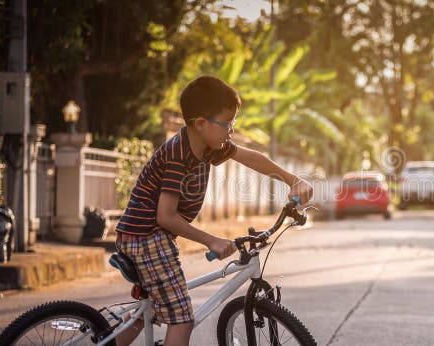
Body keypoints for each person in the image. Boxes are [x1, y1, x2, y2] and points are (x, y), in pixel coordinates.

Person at [113, 75, 313, 346]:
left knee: (145, 314)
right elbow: (165, 216)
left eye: (234, 123)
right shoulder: (178, 154)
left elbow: (251, 157)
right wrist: (212, 240)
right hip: (145, 238)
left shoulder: (208, 148)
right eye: (227, 123)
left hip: (146, 236)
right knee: (182, 319)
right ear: (201, 124)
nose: (231, 130)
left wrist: (292, 179)